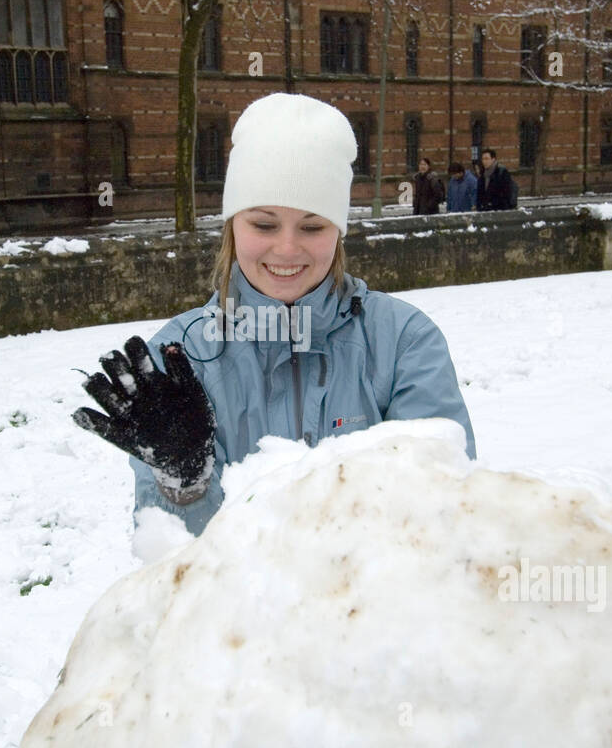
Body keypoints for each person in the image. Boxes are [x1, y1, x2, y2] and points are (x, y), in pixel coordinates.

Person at [73, 93, 476, 536]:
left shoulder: (402, 341)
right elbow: (174, 564)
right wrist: (184, 486)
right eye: (264, 224)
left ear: (339, 232)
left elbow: (445, 515)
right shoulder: (178, 358)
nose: (287, 249)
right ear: (232, 225)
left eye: (312, 226)